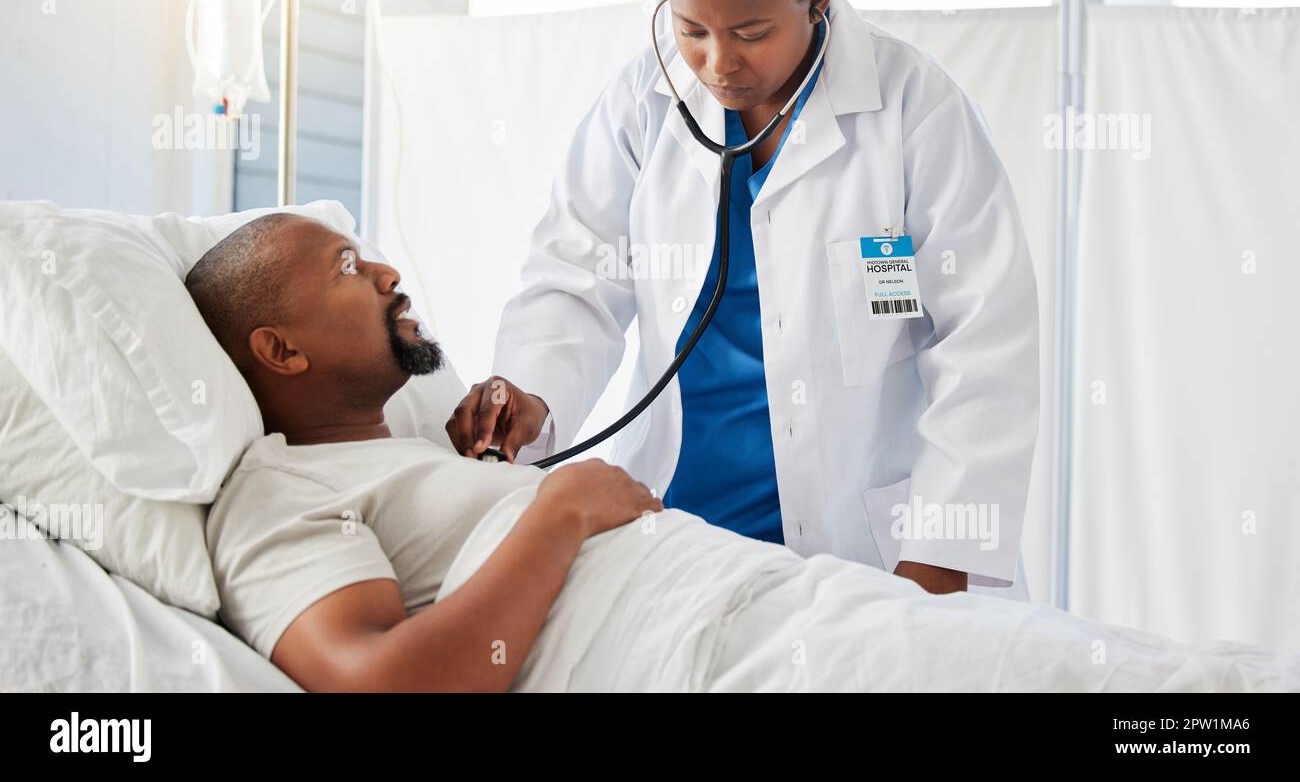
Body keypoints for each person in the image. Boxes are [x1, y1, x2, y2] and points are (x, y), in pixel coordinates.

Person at [190, 215, 1299, 693]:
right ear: (277, 347)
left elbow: (984, 337)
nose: (385, 271)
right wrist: (560, 509)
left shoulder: (423, 444)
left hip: (786, 609)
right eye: (345, 265)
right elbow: (387, 685)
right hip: (719, 660)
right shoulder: (274, 492)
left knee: (1131, 674)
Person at [447, 0, 1040, 599]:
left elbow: (987, 345)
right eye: (691, 28)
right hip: (681, 529)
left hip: (868, 549)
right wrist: (530, 394)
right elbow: (575, 277)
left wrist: (939, 562)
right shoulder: (643, 102)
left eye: (751, 32)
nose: (717, 63)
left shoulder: (915, 112)